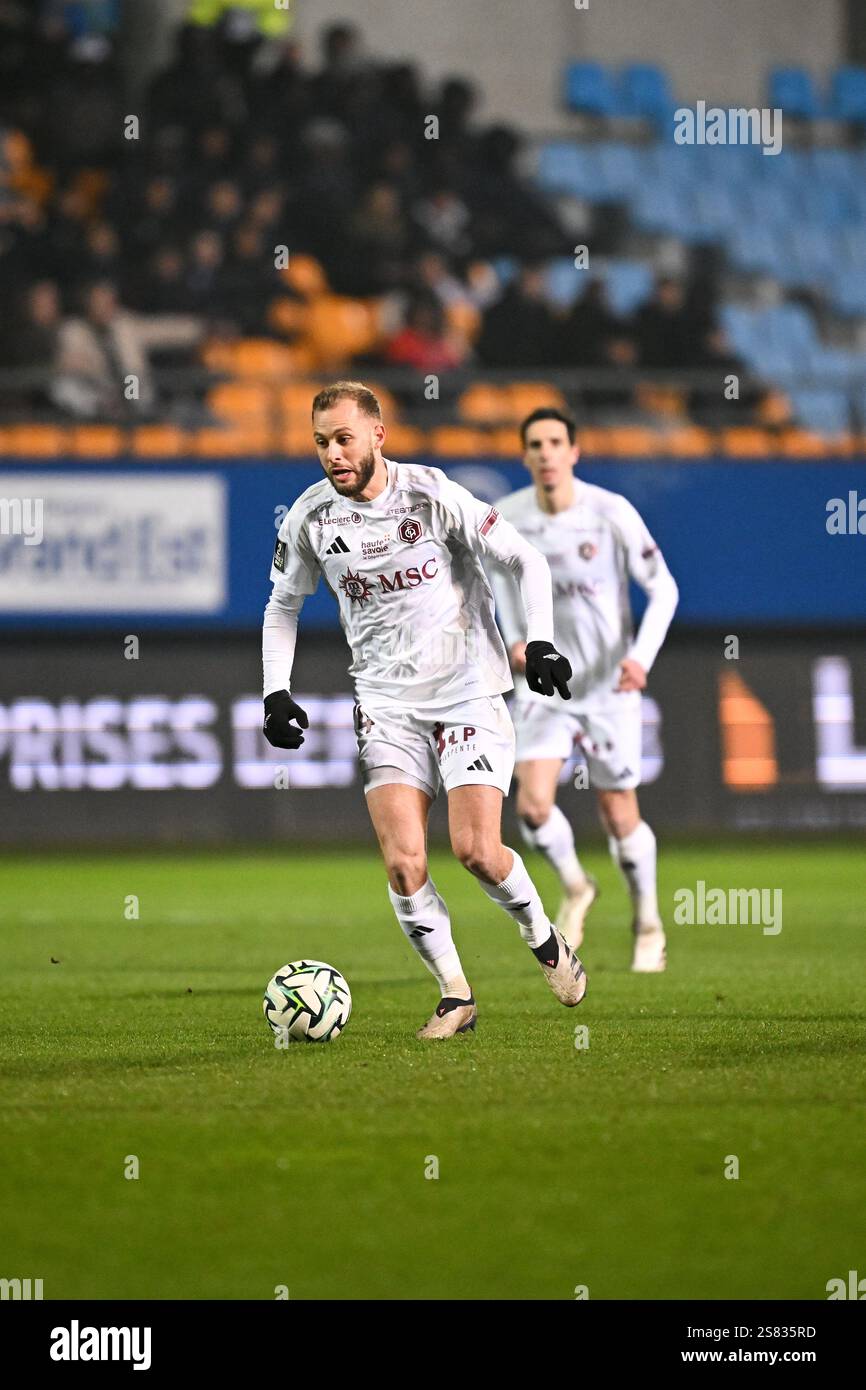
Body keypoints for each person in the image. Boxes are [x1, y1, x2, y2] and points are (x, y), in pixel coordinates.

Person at [261, 381, 586, 1039]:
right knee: (405, 863)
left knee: (476, 851)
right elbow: (282, 607)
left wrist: (543, 639)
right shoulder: (310, 519)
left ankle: (542, 935)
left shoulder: (432, 494)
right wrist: (275, 690)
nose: (332, 454)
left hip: (467, 689)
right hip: (384, 706)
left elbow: (525, 558)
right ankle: (455, 995)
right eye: (321, 441)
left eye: (344, 438)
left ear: (378, 434)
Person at [489, 408, 679, 972]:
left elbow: (663, 590)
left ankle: (647, 921)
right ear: (525, 456)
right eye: (535, 444)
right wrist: (517, 640)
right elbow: (500, 585)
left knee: (618, 813)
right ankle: (576, 886)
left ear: (574, 451)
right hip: (546, 685)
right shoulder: (508, 517)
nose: (545, 453)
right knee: (532, 804)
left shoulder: (610, 512)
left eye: (555, 442)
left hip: (606, 686)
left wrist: (640, 659)